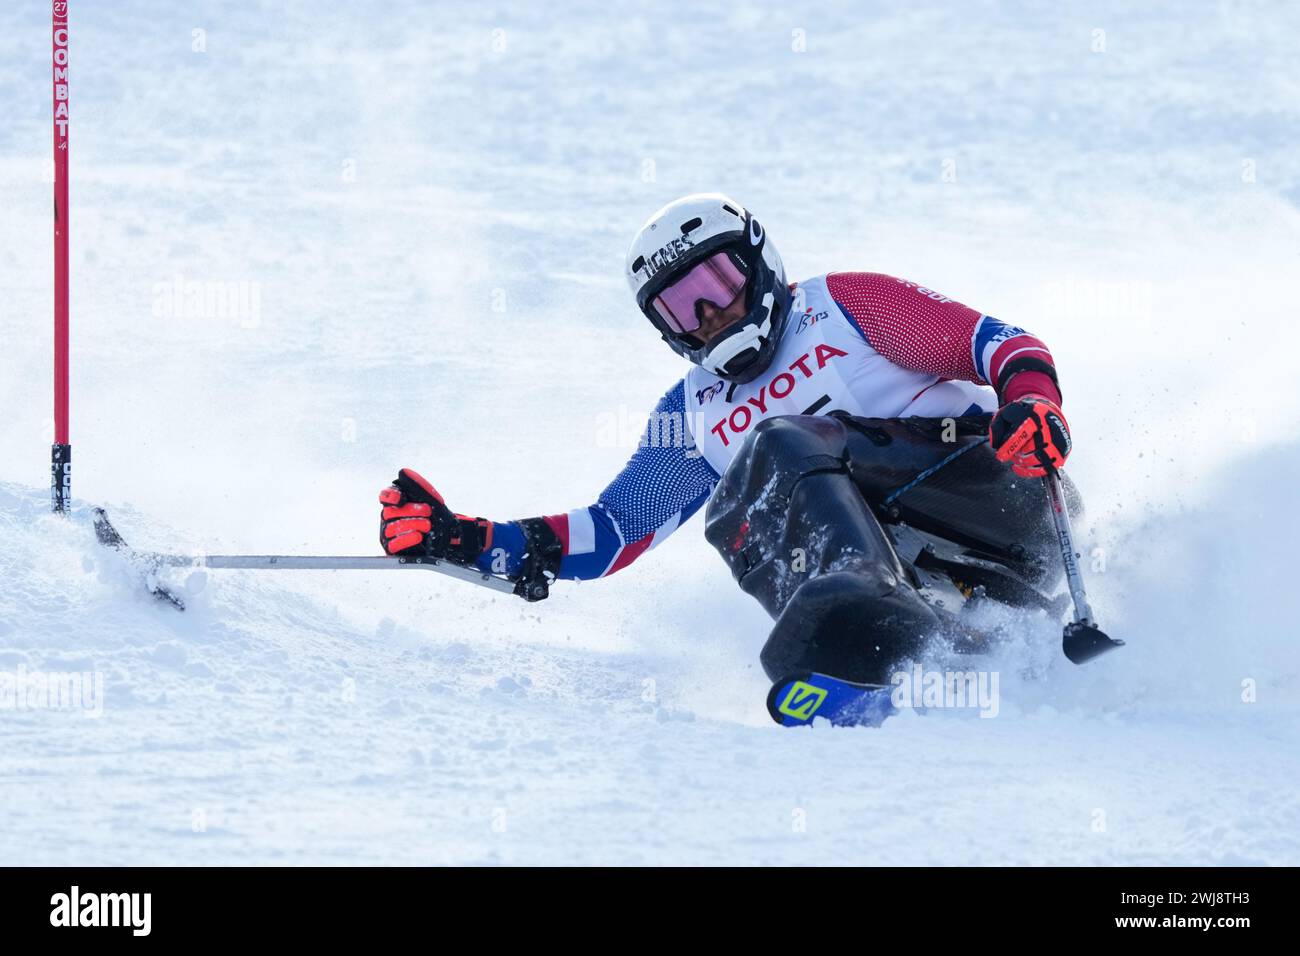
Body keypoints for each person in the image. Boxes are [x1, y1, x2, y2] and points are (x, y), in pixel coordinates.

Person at [378, 193, 1073, 688]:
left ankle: (857, 608)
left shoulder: (844, 305)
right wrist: (467, 539)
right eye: (685, 308)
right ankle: (909, 650)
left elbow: (999, 346)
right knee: (735, 510)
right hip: (932, 574)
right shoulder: (693, 413)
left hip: (1000, 495)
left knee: (777, 446)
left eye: (719, 283)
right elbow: (614, 531)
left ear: (759, 261)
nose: (711, 314)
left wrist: (1033, 407)